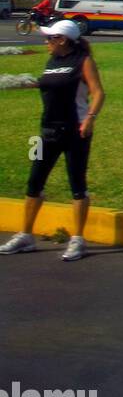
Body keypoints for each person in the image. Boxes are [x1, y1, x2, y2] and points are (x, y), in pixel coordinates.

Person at [0, 18, 105, 262]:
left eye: (50, 38)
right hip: (47, 131)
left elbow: (98, 92)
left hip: (75, 131)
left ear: (62, 40)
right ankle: (26, 236)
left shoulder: (83, 61)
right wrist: (26, 84)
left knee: (77, 184)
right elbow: (50, 85)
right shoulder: (52, 61)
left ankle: (78, 240)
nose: (46, 42)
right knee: (34, 182)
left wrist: (90, 119)